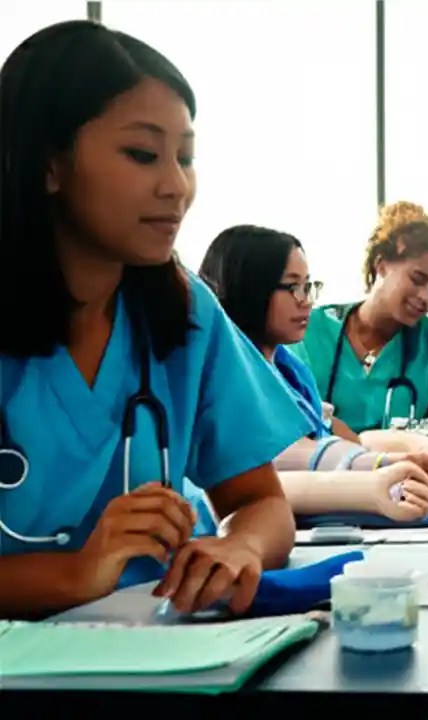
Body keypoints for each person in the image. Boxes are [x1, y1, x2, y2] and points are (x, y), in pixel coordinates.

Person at [0, 21, 311, 619]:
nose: (177, 186)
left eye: (186, 157)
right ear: (48, 164)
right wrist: (76, 573)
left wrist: (239, 545)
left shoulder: (184, 312)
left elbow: (261, 502)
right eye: (143, 154)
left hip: (171, 648)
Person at [198, 225, 428, 520]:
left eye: (308, 286)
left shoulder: (288, 373)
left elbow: (337, 438)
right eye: (293, 287)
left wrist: (421, 457)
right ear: (251, 288)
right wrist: (384, 468)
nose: (306, 300)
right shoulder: (225, 378)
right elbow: (286, 455)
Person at [290, 201, 428, 438]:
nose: (425, 297)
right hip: (317, 471)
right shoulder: (308, 330)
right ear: (381, 266)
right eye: (418, 279)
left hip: (403, 472)